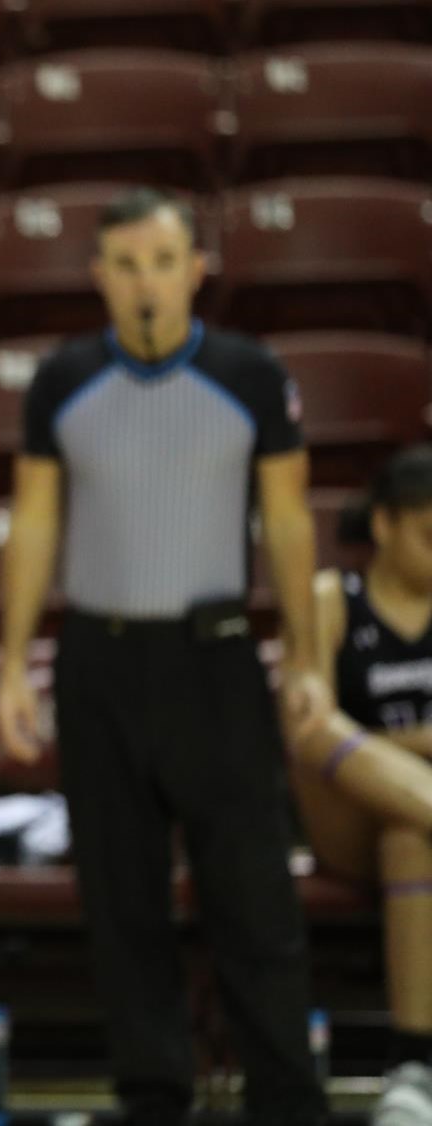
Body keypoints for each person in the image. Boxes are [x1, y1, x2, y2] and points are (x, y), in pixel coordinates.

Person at [0, 186, 332, 1126]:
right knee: (122, 902)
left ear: (196, 269)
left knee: (254, 899)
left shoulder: (251, 375)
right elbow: (32, 524)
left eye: (163, 262)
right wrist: (17, 659)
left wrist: (305, 659)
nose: (147, 282)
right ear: (101, 276)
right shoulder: (63, 380)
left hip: (214, 661)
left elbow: (291, 522)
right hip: (98, 665)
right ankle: (154, 1095)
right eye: (127, 265)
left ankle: (287, 1101)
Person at [287, 444, 432, 1125]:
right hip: (343, 816)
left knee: (411, 835)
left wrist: (383, 745)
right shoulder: (331, 599)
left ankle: (414, 1065)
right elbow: (311, 725)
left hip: (411, 828)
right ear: (383, 525)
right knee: (314, 728)